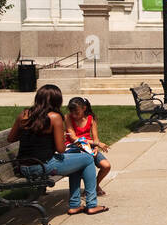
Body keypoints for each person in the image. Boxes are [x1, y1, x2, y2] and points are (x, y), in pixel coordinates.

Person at [7, 84, 106, 215]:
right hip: (43, 165)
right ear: (56, 100)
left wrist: (31, 134)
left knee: (76, 162)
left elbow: (11, 138)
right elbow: (60, 149)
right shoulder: (54, 117)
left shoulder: (24, 115)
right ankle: (92, 204)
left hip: (23, 167)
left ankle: (75, 205)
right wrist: (59, 137)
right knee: (87, 159)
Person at [65, 96, 111, 197]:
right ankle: (92, 187)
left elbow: (95, 138)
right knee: (85, 167)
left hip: (89, 147)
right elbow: (73, 138)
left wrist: (96, 147)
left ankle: (95, 185)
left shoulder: (91, 118)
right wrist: (96, 144)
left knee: (106, 166)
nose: (74, 115)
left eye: (77, 112)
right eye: (72, 112)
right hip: (74, 147)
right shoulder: (68, 117)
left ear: (84, 108)